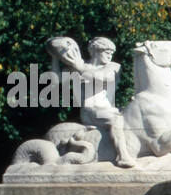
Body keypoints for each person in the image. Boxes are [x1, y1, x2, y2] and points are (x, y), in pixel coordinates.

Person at [47, 34, 136, 168]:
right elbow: (56, 80)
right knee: (117, 120)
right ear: (95, 51)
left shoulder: (113, 66)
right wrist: (54, 56)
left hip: (108, 110)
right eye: (107, 51)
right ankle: (123, 156)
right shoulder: (78, 67)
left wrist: (79, 67)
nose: (110, 55)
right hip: (91, 112)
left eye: (112, 52)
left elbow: (103, 77)